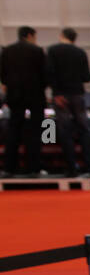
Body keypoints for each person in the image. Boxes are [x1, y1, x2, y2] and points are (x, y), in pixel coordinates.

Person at [45, 27, 90, 177]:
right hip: (77, 94)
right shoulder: (80, 52)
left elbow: (49, 73)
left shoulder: (52, 51)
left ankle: (71, 167)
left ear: (61, 35)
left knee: (64, 131)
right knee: (85, 129)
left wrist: (57, 92)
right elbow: (87, 77)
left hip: (60, 96)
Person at [1, 26, 47, 177]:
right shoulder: (37, 51)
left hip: (15, 97)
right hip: (35, 96)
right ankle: (34, 167)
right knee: (35, 132)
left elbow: (3, 75)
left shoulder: (7, 51)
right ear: (30, 35)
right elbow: (44, 74)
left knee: (13, 131)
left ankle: (9, 167)